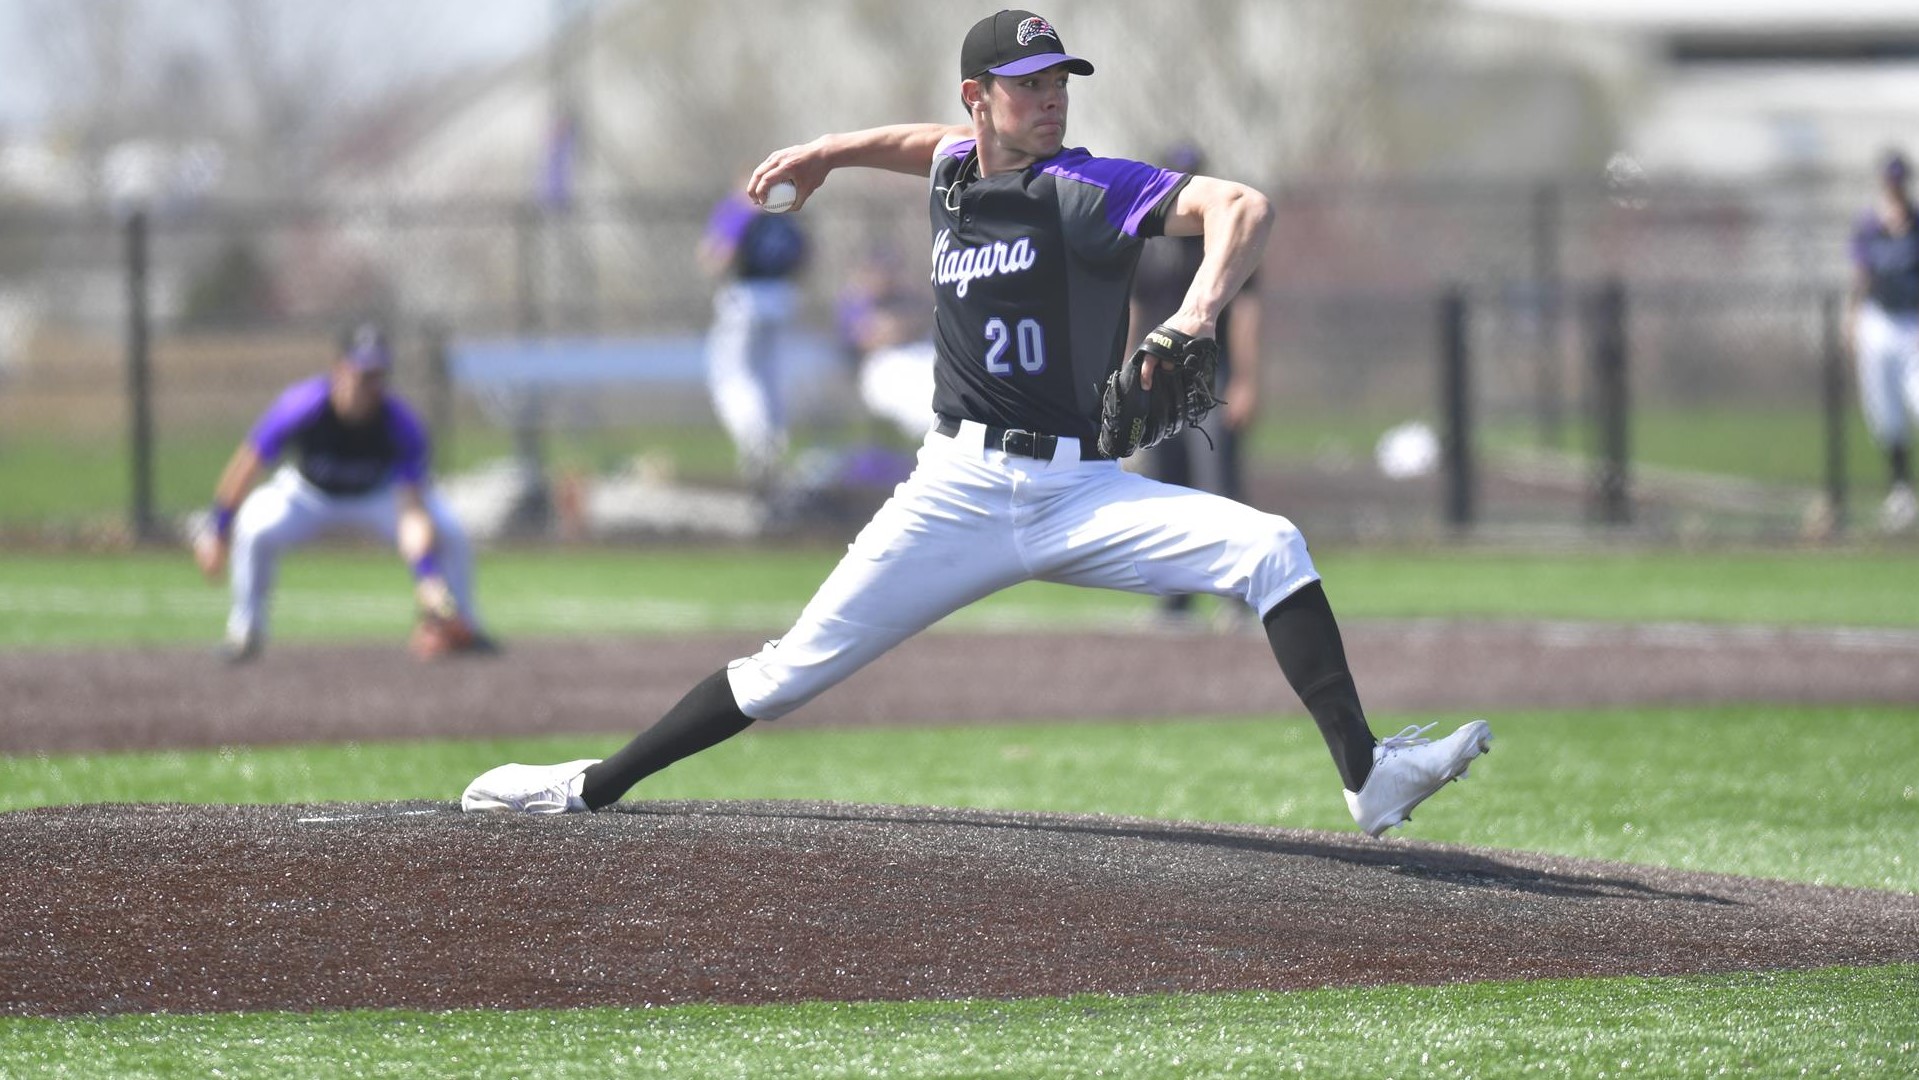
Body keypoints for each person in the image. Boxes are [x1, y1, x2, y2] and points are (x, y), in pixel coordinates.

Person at [462, 9, 1490, 837]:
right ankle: (591, 788)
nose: (1049, 100)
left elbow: (1243, 207)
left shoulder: (1089, 187)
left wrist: (1195, 310)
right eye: (1027, 85)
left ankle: (1368, 777)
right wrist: (828, 151)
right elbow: (922, 145)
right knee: (782, 677)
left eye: (1058, 82)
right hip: (950, 493)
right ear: (979, 99)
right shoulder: (958, 169)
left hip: (1077, 489)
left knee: (1270, 546)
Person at [193, 325, 492, 662]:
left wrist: (426, 576)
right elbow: (248, 464)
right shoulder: (303, 405)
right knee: (256, 526)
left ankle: (458, 624)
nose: (369, 385)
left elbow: (411, 510)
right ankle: (245, 632)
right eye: (362, 373)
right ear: (339, 369)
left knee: (450, 530)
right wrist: (217, 531)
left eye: (377, 375)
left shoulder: (402, 424)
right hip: (308, 496)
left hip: (375, 498)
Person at [1129, 143, 1263, 626]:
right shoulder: (1149, 243)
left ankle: (1237, 596)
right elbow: (1136, 312)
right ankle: (1176, 599)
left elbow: (1246, 313)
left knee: (1220, 487)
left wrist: (1246, 381)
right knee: (1167, 487)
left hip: (1210, 376)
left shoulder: (1223, 241)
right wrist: (1126, 375)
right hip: (1159, 377)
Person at [699, 174, 811, 488]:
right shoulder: (787, 217)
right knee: (770, 378)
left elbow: (717, 259)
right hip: (782, 299)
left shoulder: (742, 214)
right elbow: (804, 258)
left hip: (747, 299)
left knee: (732, 376)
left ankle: (758, 444)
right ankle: (773, 446)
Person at [1848, 148, 1919, 532]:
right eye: (1889, 180)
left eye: (1898, 179)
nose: (1893, 186)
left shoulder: (1917, 223)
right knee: (1886, 412)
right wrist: (1851, 318)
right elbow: (1861, 274)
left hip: (1913, 322)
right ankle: (1901, 491)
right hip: (1878, 322)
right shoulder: (1869, 224)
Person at [837, 250, 939, 440]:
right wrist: (896, 329)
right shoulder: (855, 300)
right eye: (878, 271)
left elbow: (926, 319)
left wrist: (895, 327)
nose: (884, 277)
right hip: (877, 366)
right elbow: (862, 341)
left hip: (914, 356)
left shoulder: (908, 296)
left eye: (889, 270)